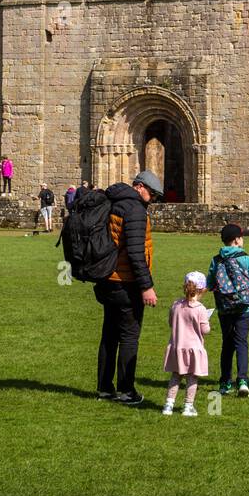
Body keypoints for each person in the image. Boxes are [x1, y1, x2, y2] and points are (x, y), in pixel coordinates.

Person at [94, 169, 162, 406]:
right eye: (152, 195)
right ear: (140, 187)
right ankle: (125, 390)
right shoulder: (134, 210)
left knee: (109, 335)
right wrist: (147, 286)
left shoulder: (112, 202)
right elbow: (135, 252)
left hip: (107, 279)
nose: (152, 200)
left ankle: (104, 388)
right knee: (129, 336)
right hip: (126, 282)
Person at [206, 223, 249, 397]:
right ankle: (243, 381)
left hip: (224, 308)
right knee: (241, 342)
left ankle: (225, 382)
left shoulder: (216, 259)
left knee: (227, 344)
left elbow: (209, 284)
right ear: (237, 240)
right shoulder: (246, 259)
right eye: (242, 236)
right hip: (243, 307)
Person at [162, 271, 211, 417]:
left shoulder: (176, 305)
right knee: (192, 378)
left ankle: (168, 405)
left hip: (177, 348)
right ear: (202, 290)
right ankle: (188, 406)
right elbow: (205, 330)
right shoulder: (200, 309)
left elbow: (171, 323)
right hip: (193, 349)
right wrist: (207, 322)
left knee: (175, 377)